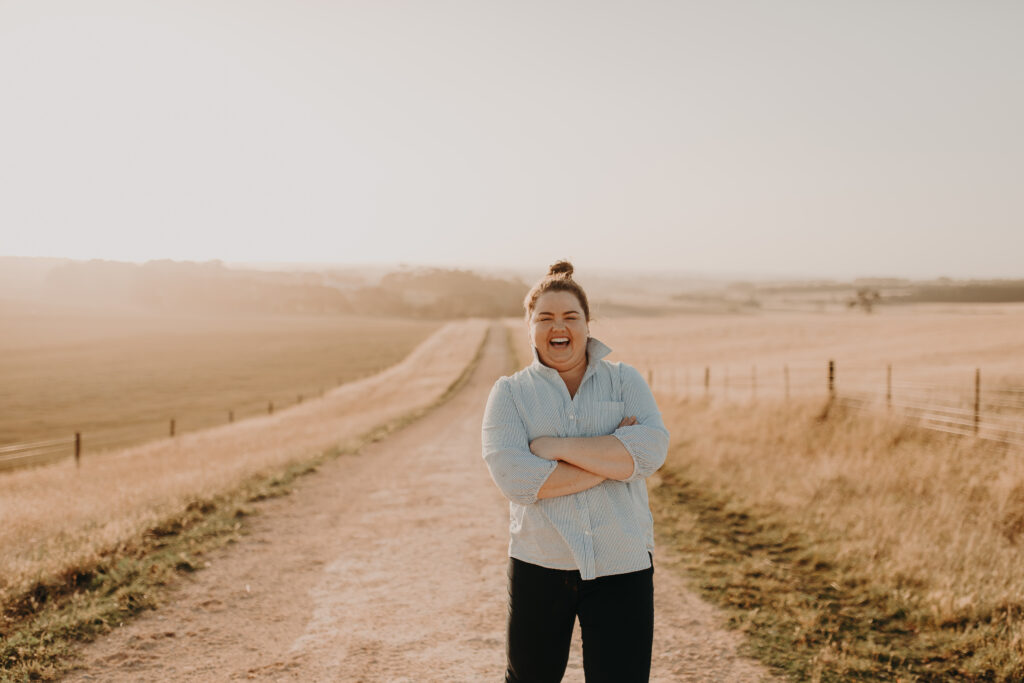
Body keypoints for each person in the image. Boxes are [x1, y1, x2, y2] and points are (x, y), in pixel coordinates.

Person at [481, 260, 670, 683]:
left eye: (570, 316)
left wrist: (555, 449)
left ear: (588, 324)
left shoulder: (625, 381)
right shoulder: (509, 394)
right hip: (540, 562)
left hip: (622, 563)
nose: (558, 326)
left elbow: (652, 451)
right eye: (544, 317)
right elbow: (517, 479)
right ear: (529, 326)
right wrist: (614, 459)